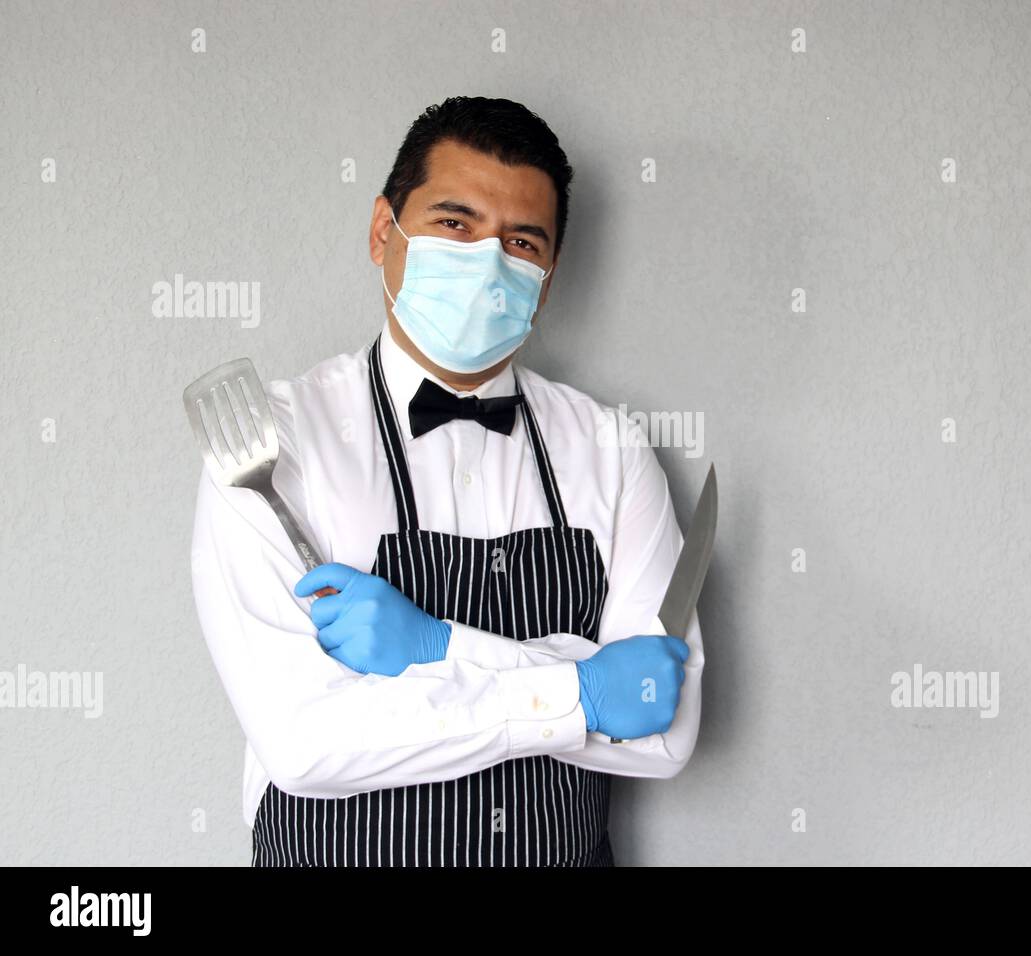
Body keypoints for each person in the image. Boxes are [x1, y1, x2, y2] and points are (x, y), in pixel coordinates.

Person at [189, 96, 703, 867]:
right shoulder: (275, 448)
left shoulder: (612, 450)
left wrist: (431, 648)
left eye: (521, 241)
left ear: (549, 275)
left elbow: (663, 727)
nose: (487, 261)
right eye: (454, 224)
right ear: (381, 233)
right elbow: (306, 742)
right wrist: (582, 689)